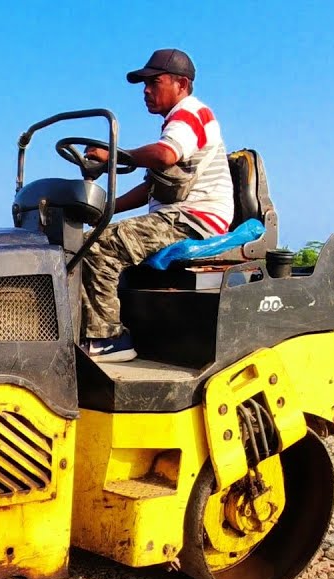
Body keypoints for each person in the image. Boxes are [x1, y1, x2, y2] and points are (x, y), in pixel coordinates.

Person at [79, 48, 234, 362]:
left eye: (154, 82)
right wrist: (102, 211)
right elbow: (151, 188)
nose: (146, 90)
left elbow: (165, 155)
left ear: (181, 84)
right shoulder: (178, 123)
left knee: (95, 248)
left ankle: (109, 339)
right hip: (178, 216)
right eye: (143, 84)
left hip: (195, 220)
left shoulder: (190, 113)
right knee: (88, 238)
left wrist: (112, 155)